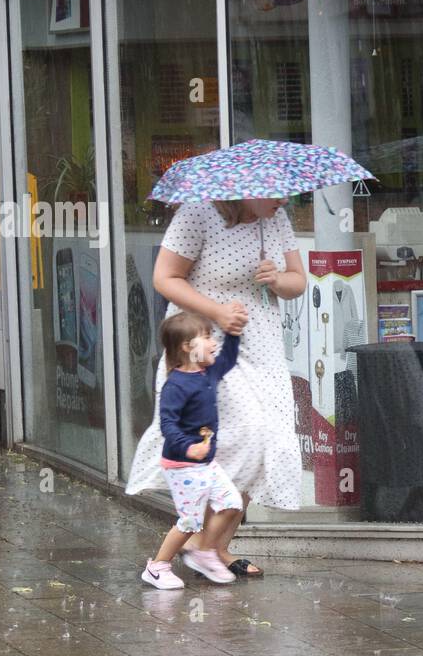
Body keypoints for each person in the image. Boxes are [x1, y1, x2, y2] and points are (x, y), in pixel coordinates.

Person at [126, 198, 306, 577]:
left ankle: (212, 546)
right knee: (238, 438)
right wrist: (217, 312)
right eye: (273, 192)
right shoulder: (197, 214)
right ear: (247, 191)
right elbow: (165, 278)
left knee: (268, 441)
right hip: (207, 344)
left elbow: (298, 281)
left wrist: (277, 280)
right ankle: (201, 545)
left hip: (263, 344)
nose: (283, 199)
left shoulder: (276, 218)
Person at [143, 312, 243, 589]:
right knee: (189, 522)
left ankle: (204, 553)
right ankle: (157, 567)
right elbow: (168, 425)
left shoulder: (207, 373)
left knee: (231, 503)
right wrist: (188, 448)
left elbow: (229, 359)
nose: (214, 343)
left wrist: (234, 332)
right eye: (207, 337)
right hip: (182, 465)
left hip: (206, 464)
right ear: (187, 347)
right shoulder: (176, 385)